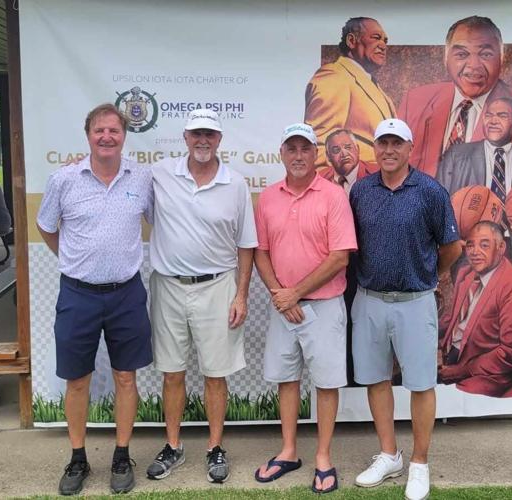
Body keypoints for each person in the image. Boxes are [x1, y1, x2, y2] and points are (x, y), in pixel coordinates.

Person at [36, 103, 153, 496]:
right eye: (99, 130)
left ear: (124, 136)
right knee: (77, 380)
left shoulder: (143, 176)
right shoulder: (63, 179)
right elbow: (48, 228)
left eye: (114, 131)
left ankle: (121, 455)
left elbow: (159, 217)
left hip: (127, 293)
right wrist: (73, 259)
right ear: (88, 135)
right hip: (78, 293)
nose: (106, 137)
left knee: (125, 376)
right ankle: (77, 458)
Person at [348, 118, 461, 500]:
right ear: (375, 148)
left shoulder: (430, 191)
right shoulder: (361, 191)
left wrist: (432, 275)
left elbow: (452, 247)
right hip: (370, 301)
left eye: (397, 143)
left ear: (410, 148)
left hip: (415, 301)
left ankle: (419, 463)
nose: (389, 150)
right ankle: (388, 455)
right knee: (376, 378)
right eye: (383, 143)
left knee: (421, 383)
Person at [145, 109, 257, 485]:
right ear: (186, 137)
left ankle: (214, 448)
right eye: (196, 134)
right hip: (168, 286)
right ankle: (173, 445)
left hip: (218, 286)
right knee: (172, 372)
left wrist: (241, 295)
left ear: (220, 139)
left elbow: (246, 246)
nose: (203, 140)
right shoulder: (160, 174)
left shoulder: (236, 184)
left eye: (210, 134)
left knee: (215, 374)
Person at [252, 123, 357, 494]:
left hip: (324, 305)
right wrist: (281, 294)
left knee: (326, 383)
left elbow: (340, 257)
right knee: (287, 379)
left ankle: (323, 457)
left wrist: (294, 292)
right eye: (291, 149)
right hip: (285, 307)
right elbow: (260, 252)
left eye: (305, 149)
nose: (298, 156)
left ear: (316, 155)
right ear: (282, 153)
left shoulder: (332, 196)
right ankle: (288, 451)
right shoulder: (267, 198)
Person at [400, 16, 512, 177]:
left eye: (486, 54)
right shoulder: (414, 101)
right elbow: (394, 166)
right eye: (461, 54)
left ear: (502, 58)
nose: (474, 65)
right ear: (446, 58)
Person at [435, 96, 512, 284]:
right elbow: (437, 204)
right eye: (488, 115)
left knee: (510, 310)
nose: (493, 120)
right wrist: (452, 239)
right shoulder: (457, 154)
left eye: (501, 115)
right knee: (470, 311)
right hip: (470, 248)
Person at [438, 221, 512, 396]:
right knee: (404, 379)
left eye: (484, 245)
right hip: (454, 355)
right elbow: (455, 319)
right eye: (470, 245)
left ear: (501, 247)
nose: (475, 252)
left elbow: (510, 354)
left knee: (456, 393)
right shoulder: (466, 274)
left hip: (490, 373)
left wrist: (461, 370)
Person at [305, 17, 395, 169]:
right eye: (376, 38)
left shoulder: (374, 86)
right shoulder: (335, 75)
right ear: (352, 41)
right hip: (350, 187)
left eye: (385, 41)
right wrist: (333, 190)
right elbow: (319, 147)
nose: (383, 45)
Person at [318, 129, 377, 194]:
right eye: (336, 150)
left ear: (357, 149)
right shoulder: (320, 179)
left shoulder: (378, 173)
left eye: (348, 147)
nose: (344, 154)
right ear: (328, 156)